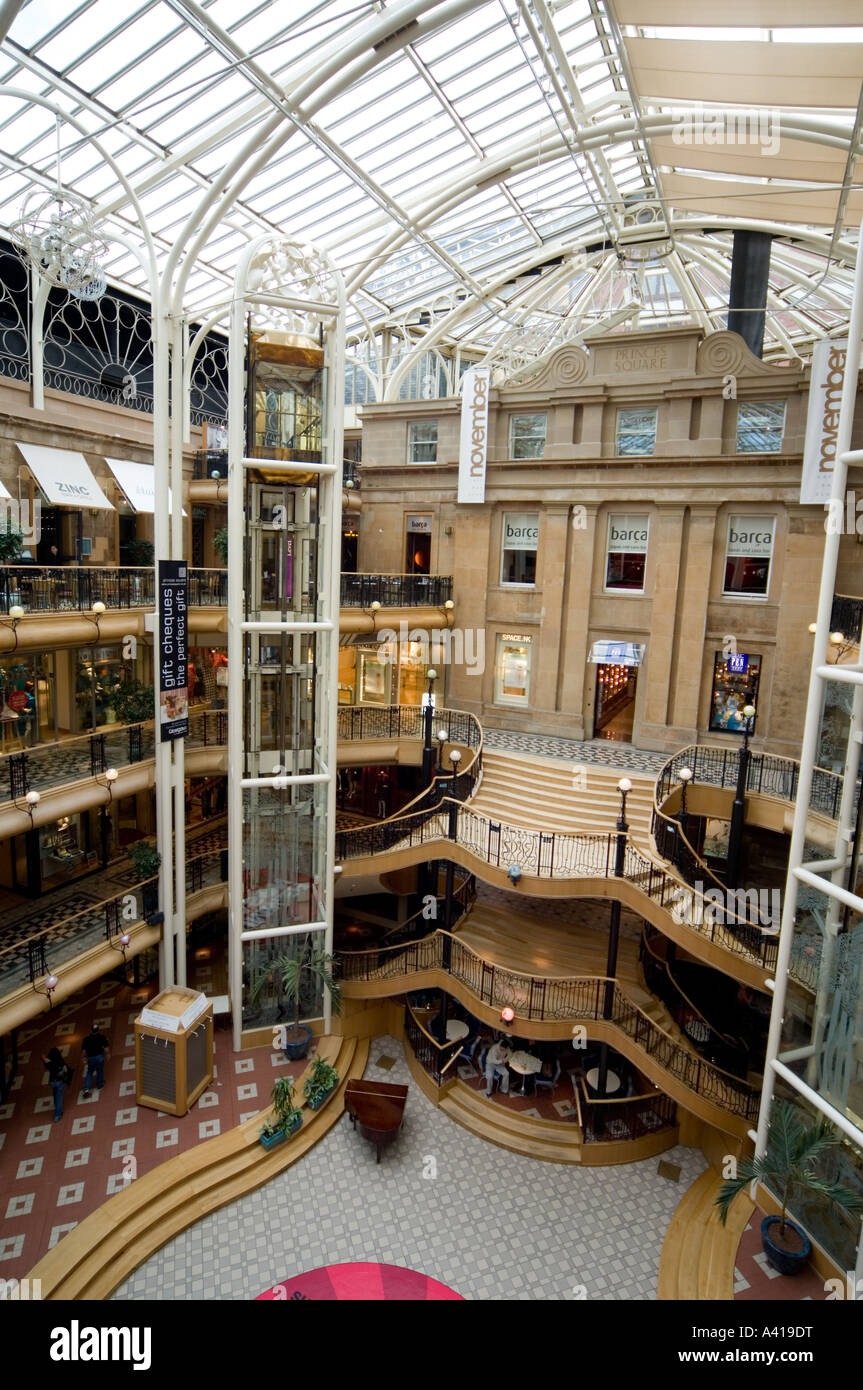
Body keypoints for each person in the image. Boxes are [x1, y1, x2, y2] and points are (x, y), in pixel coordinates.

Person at [81, 1023, 111, 1097]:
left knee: (89, 1072)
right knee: (100, 1070)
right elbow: (106, 1049)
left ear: (91, 1030)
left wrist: (84, 1057)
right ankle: (99, 1084)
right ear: (98, 1030)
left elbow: (84, 1051)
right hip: (99, 1057)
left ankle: (87, 1089)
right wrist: (107, 1054)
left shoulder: (86, 1039)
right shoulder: (102, 1037)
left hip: (90, 1058)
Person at [42, 1047, 66, 1122]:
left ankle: (57, 1108)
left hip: (52, 1081)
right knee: (59, 1097)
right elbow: (65, 1069)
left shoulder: (49, 1063)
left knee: (55, 1094)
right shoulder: (60, 1060)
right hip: (59, 1081)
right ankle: (57, 1115)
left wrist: (44, 1057)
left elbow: (45, 1061)